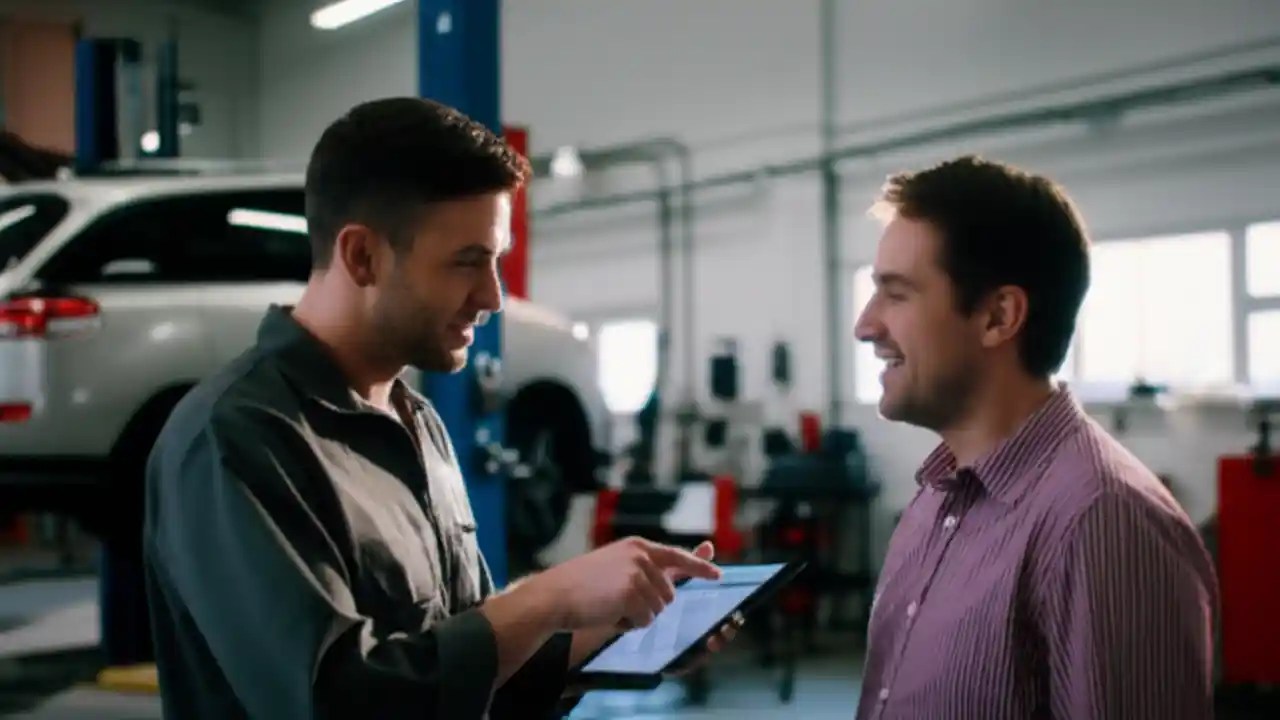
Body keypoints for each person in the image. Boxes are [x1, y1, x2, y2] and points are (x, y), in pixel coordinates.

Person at [142, 97, 733, 720]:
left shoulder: (418, 424)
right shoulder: (235, 437)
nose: (493, 297)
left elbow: (467, 671)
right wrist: (547, 598)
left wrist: (619, 637)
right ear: (362, 256)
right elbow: (336, 701)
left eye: (496, 261)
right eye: (467, 262)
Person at [852, 156, 1219, 719]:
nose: (866, 325)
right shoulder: (937, 498)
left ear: (998, 317)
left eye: (896, 294)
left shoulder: (1104, 522)